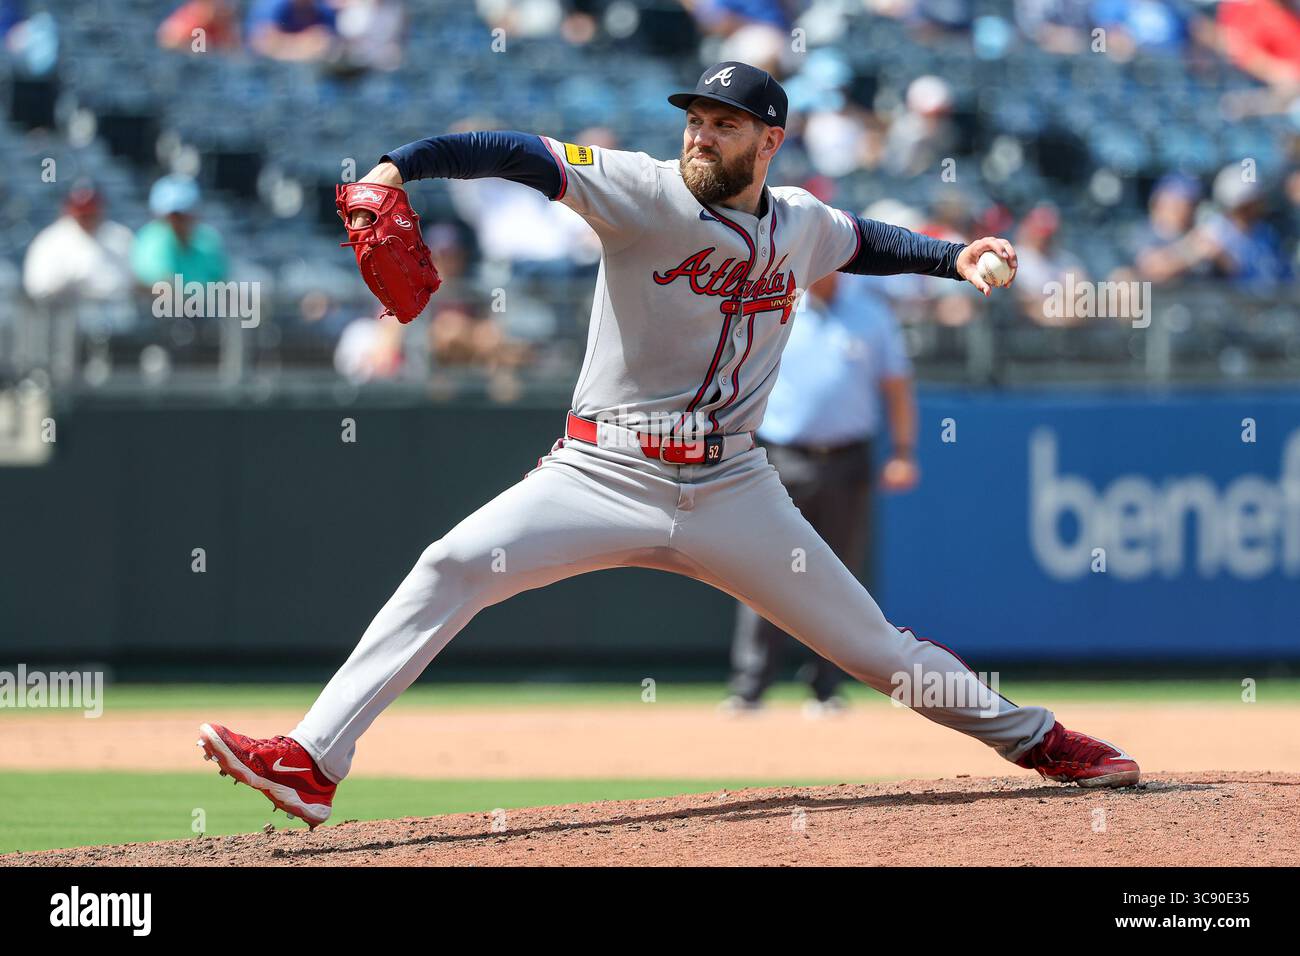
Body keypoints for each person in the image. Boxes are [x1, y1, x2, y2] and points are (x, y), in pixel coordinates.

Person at [197, 61, 1140, 828]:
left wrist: (955, 253)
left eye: (725, 123)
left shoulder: (801, 222)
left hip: (735, 486)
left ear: (770, 141)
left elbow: (869, 241)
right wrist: (398, 165)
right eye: (696, 116)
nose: (701, 132)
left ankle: (1038, 739)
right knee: (450, 564)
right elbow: (515, 153)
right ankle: (315, 761)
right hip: (603, 470)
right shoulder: (641, 191)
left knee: (872, 649)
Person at [721, 269, 919, 717]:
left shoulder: (871, 312)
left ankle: (826, 687)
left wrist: (904, 450)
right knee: (764, 570)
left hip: (847, 457)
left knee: (838, 576)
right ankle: (749, 688)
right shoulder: (777, 308)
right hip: (779, 455)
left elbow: (897, 387)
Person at [23, 181, 135, 311]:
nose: (87, 218)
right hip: (64, 319)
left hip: (118, 317)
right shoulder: (50, 240)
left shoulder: (119, 235)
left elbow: (135, 280)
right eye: (83, 215)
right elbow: (37, 287)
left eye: (91, 213)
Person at [131, 175, 229, 289]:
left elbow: (221, 282)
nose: (177, 221)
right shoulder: (149, 240)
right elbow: (156, 287)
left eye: (183, 215)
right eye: (173, 216)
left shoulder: (209, 239)